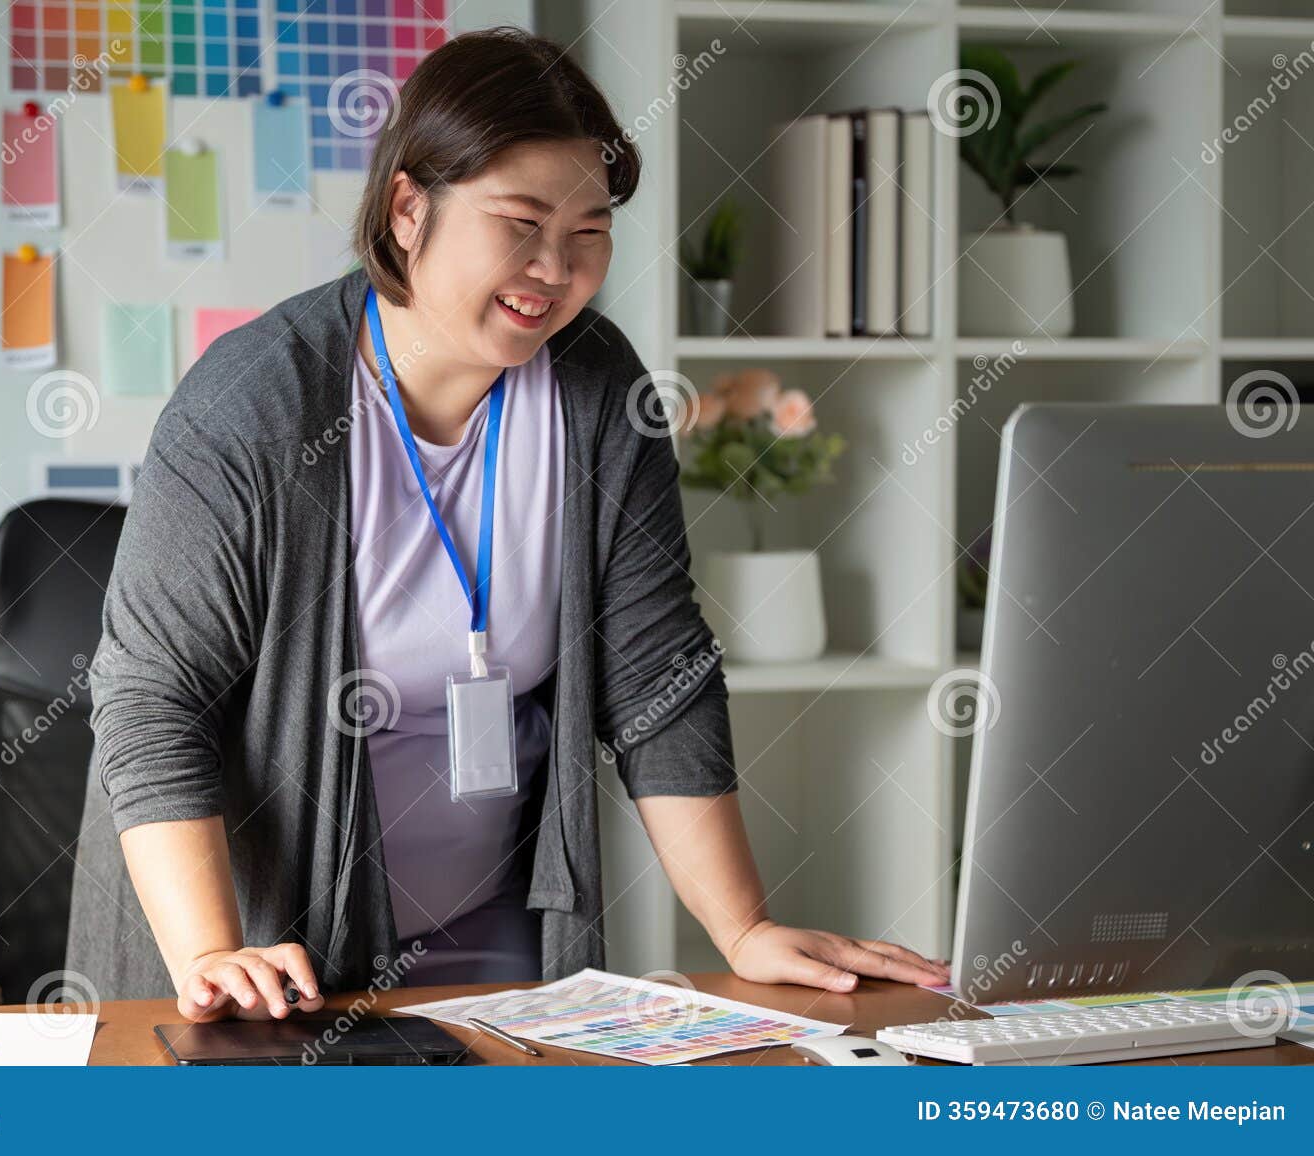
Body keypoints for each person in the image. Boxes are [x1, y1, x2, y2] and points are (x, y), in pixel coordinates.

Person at [65, 26, 948, 1023]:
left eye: (589, 231)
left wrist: (741, 928)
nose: (553, 270)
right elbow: (152, 700)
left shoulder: (598, 389)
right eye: (519, 221)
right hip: (258, 938)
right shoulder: (256, 406)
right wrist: (214, 949)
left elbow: (657, 677)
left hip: (487, 922)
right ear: (408, 208)